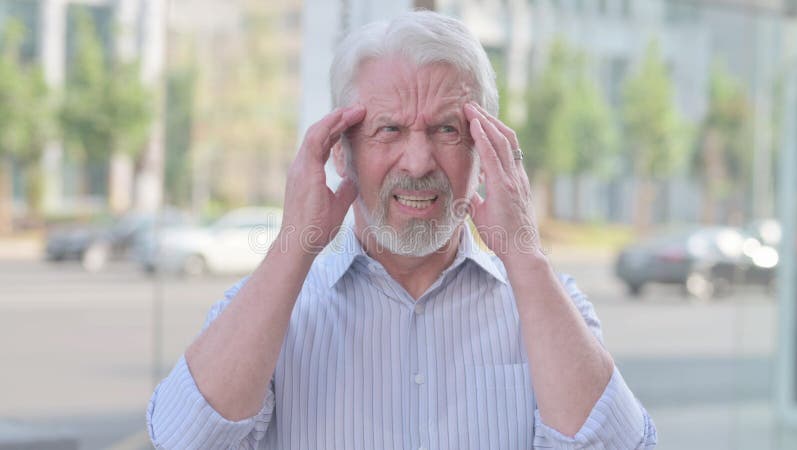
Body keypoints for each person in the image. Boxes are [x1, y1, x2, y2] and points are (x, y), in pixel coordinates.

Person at [147, 10, 657, 450]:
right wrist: (292, 246)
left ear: (487, 154)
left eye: (447, 130)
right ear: (342, 151)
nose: (418, 162)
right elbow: (182, 439)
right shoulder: (277, 308)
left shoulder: (547, 303)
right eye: (389, 129)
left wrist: (523, 252)